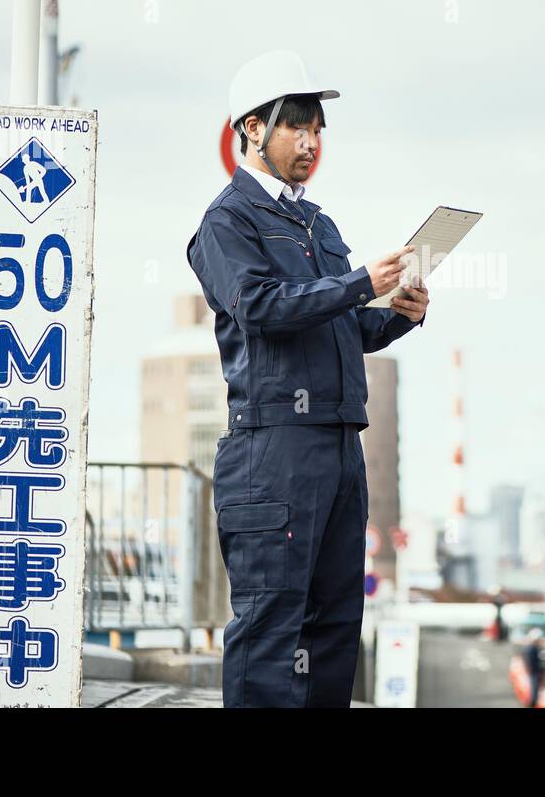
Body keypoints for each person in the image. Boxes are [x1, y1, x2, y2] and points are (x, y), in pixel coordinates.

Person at [186, 50, 430, 707]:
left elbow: (342, 328)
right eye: (296, 126)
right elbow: (259, 308)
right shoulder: (226, 222)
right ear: (251, 130)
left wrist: (397, 314)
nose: (310, 142)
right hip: (273, 450)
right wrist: (357, 283)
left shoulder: (318, 224)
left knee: (333, 632)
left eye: (318, 129)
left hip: (339, 447)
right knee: (270, 628)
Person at [523, 629, 545, 708]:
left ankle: (533, 702)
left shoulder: (532, 648)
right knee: (534, 689)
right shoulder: (531, 649)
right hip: (534, 672)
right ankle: (532, 703)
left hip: (534, 671)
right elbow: (531, 662)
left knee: (534, 689)